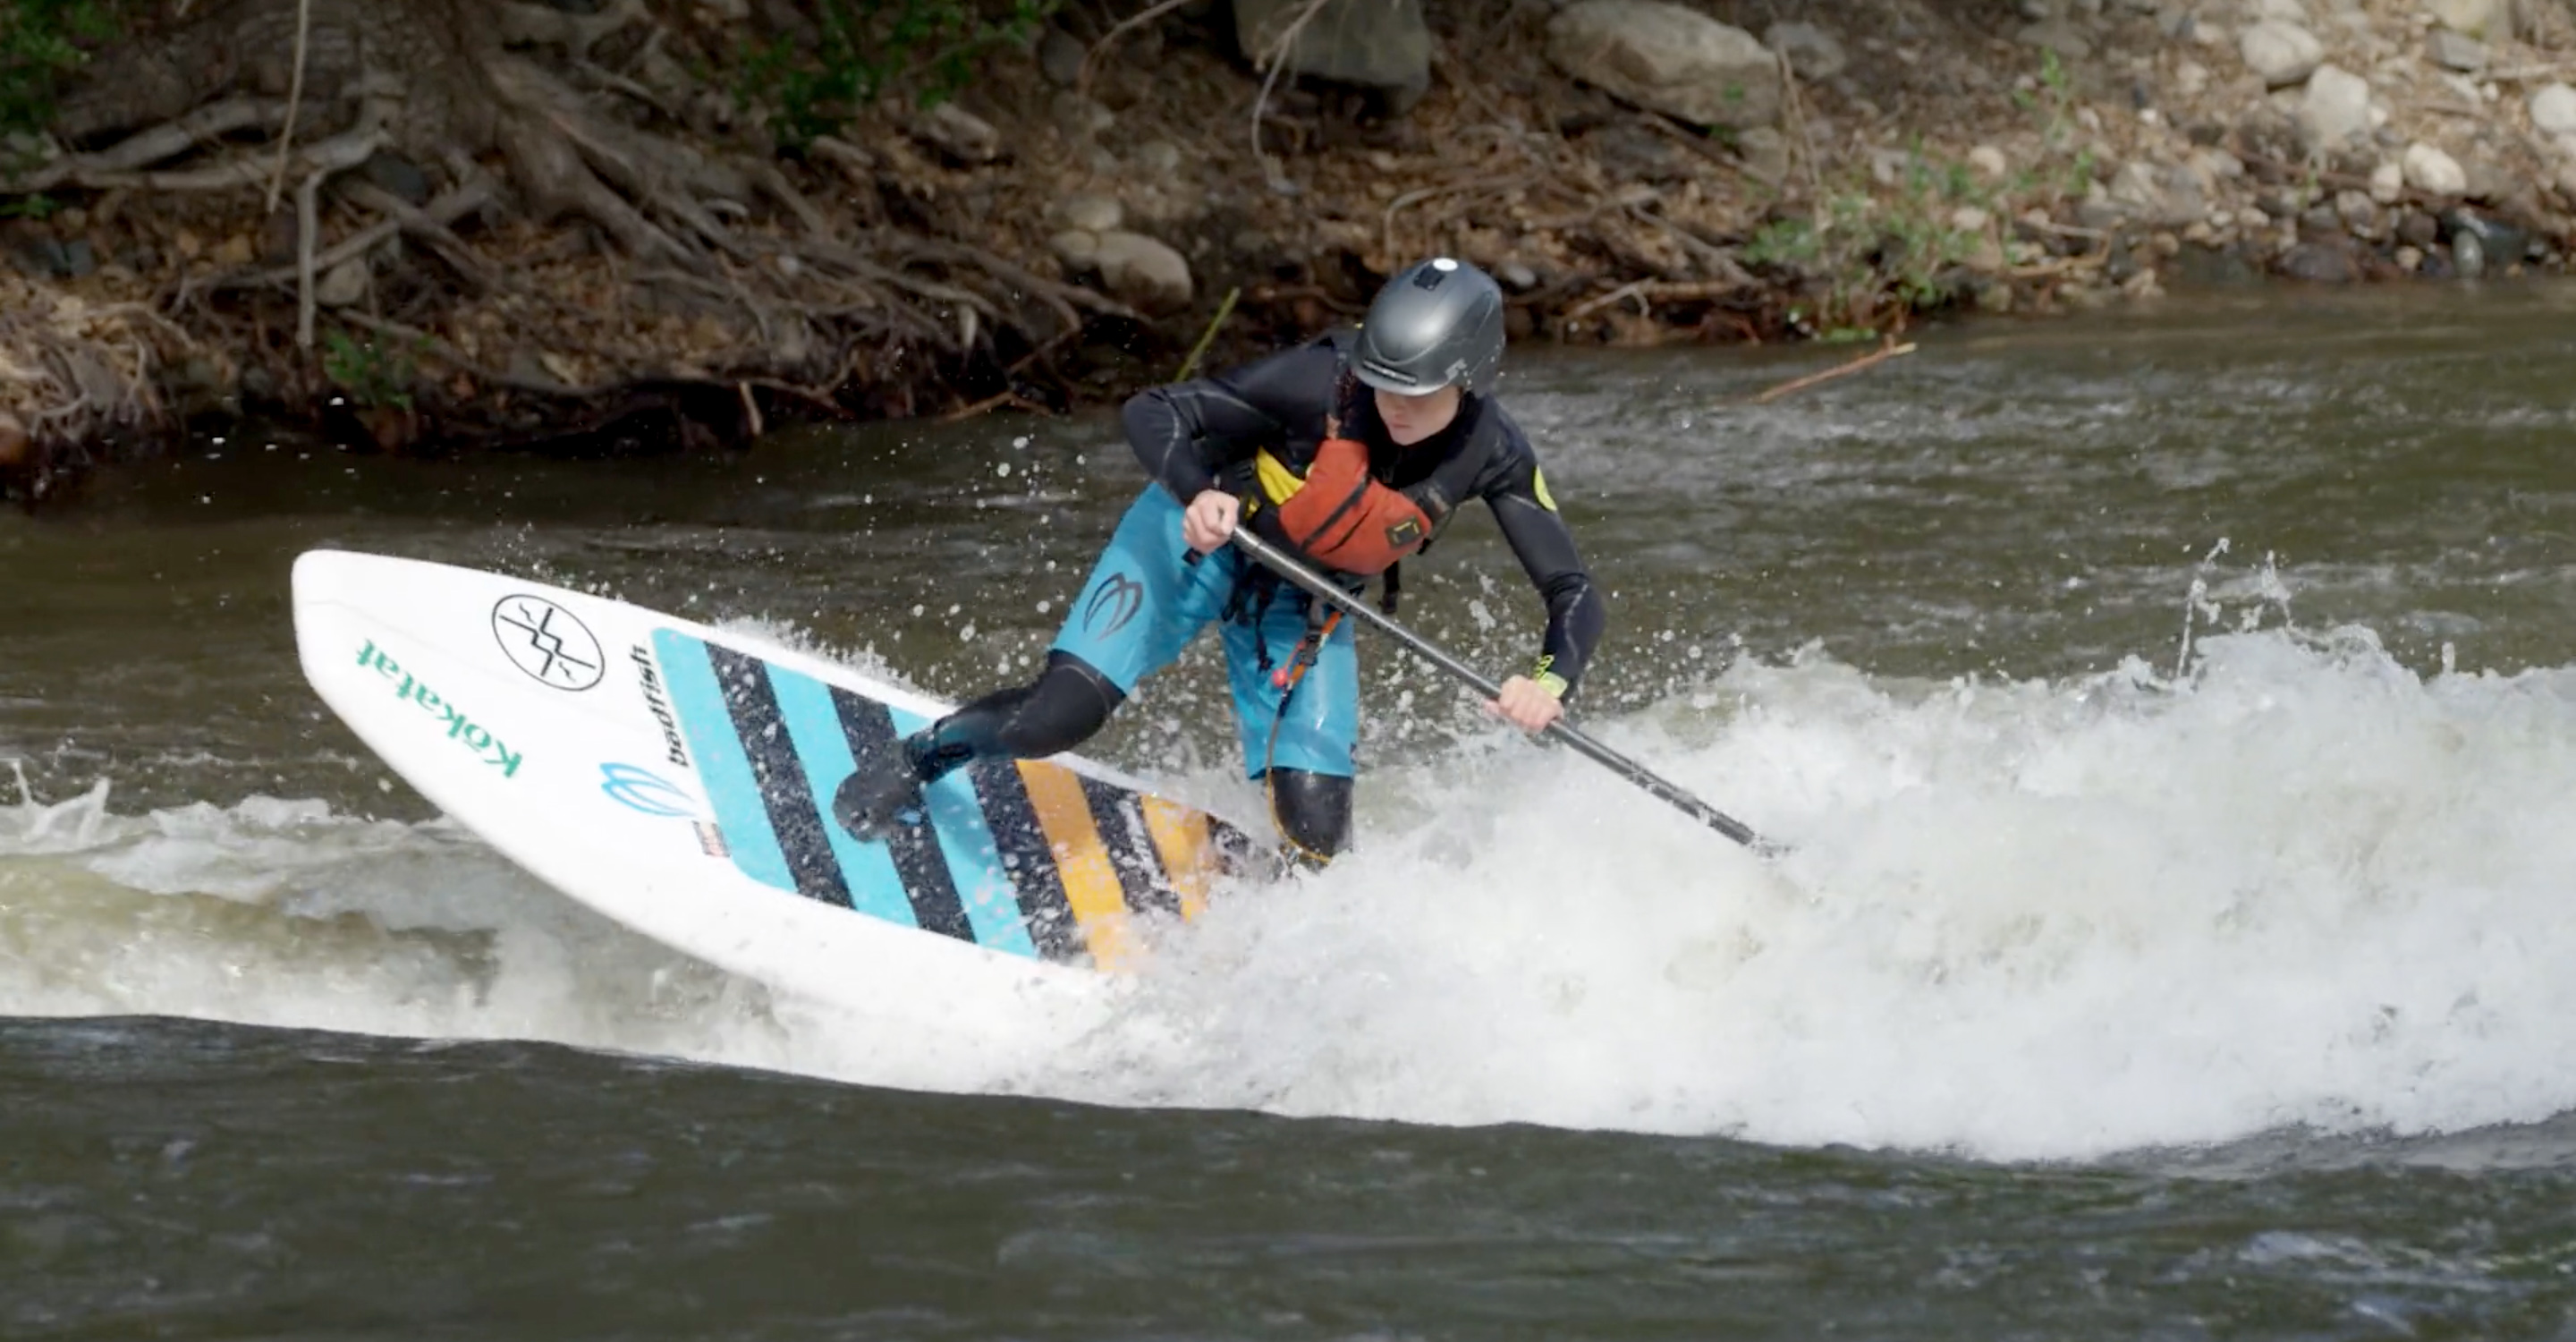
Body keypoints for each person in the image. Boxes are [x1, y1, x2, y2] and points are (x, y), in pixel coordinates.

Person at [835, 257, 1607, 864]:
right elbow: (1154, 409)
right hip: (1194, 540)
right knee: (1054, 720)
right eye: (1381, 380)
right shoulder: (1318, 383)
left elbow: (1573, 592)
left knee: (1318, 836)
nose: (1391, 404)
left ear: (1470, 379)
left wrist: (1547, 683)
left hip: (1301, 604)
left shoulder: (1494, 452)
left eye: (1418, 389)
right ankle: (919, 757)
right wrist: (1198, 490)